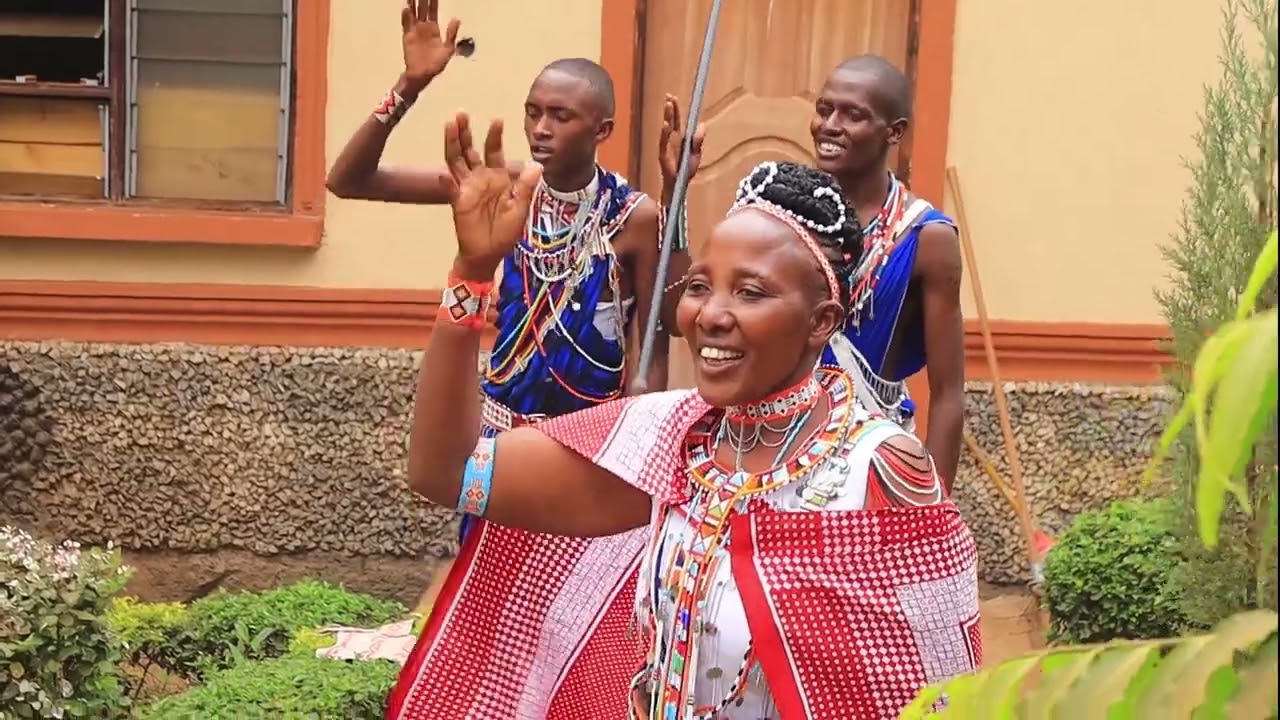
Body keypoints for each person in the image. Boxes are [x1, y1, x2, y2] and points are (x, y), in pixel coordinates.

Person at [384, 113, 981, 719]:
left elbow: (937, 697)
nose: (711, 315)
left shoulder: (880, 470)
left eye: (750, 292)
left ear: (821, 321)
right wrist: (472, 276)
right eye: (700, 286)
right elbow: (449, 473)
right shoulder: (667, 443)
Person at [324, 1, 674, 606]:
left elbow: (659, 332)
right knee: (491, 605)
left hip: (589, 446)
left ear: (602, 131)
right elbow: (348, 180)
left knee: (580, 610)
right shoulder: (498, 188)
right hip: (502, 442)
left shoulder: (635, 217)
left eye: (561, 117)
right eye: (533, 113)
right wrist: (408, 87)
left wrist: (643, 440)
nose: (541, 128)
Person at [809, 54, 966, 488]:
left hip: (872, 458)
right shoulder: (788, 213)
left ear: (893, 132)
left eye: (853, 115)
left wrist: (932, 516)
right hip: (779, 450)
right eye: (825, 110)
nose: (830, 125)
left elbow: (949, 393)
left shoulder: (926, 237)